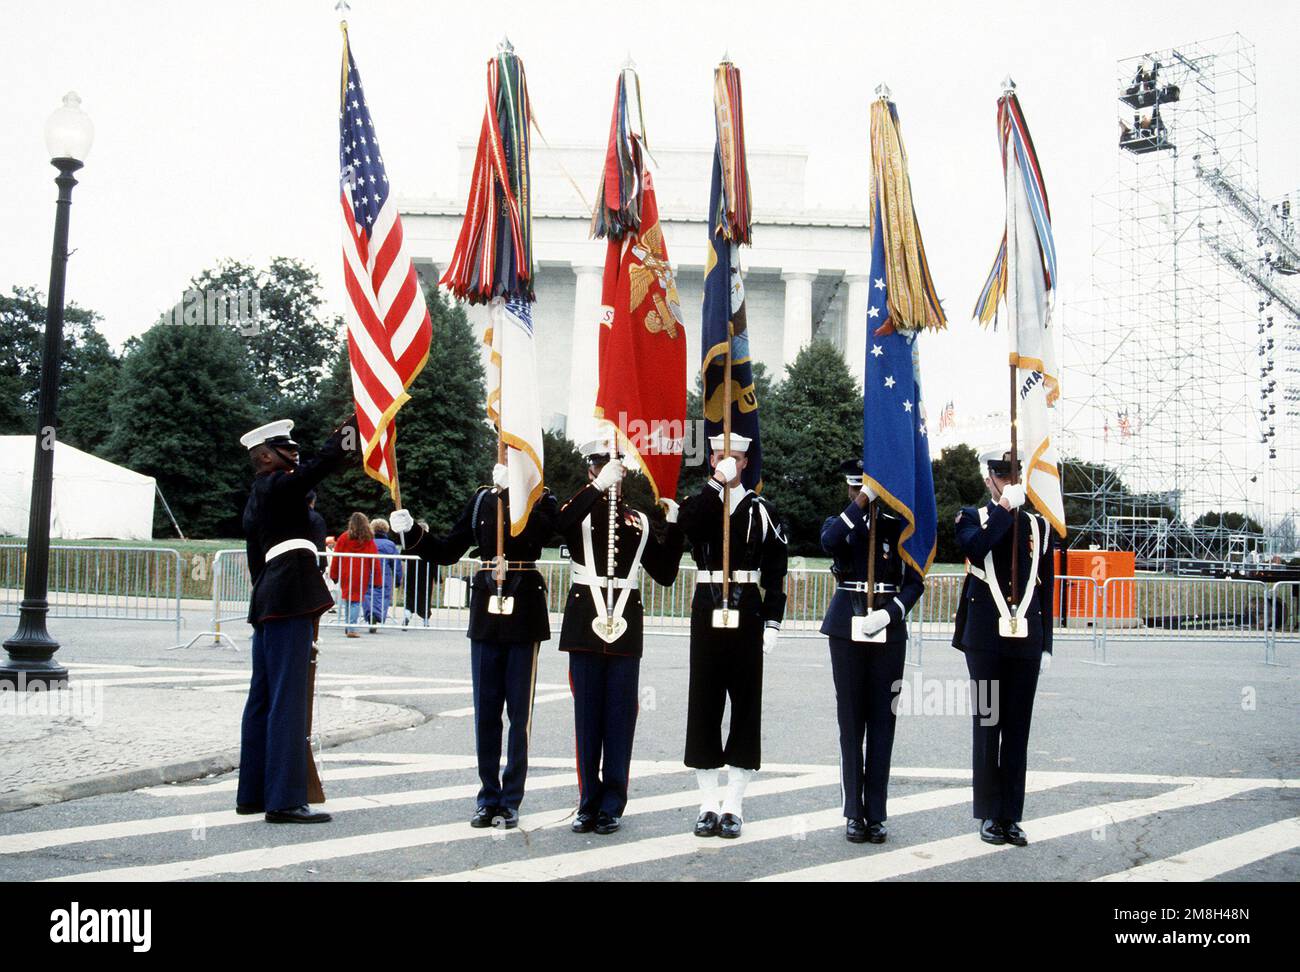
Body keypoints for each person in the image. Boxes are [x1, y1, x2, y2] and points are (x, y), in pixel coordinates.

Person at [389, 463, 559, 829]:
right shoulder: (483, 498)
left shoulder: (542, 499)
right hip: (486, 612)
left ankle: (511, 798)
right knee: (485, 713)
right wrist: (413, 533)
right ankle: (487, 796)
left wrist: (515, 495)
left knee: (520, 716)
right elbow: (449, 549)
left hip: (524, 611)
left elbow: (541, 536)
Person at [555, 434, 685, 835]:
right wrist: (593, 488)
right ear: (589, 468)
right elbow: (556, 526)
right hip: (584, 626)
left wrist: (675, 526)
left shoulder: (639, 522)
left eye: (613, 467)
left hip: (625, 628)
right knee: (587, 718)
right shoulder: (576, 512)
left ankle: (612, 802)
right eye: (598, 465)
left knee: (619, 718)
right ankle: (587, 801)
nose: (608, 472)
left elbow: (664, 574)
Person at [236, 415, 357, 824]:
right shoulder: (276, 485)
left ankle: (255, 791)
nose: (295, 455)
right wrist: (354, 426)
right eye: (286, 450)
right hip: (287, 599)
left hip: (271, 597)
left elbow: (256, 559)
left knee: (264, 697)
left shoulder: (263, 494)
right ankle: (285, 799)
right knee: (287, 698)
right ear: (266, 457)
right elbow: (320, 466)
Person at [676, 433, 788, 839]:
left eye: (735, 457)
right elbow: (687, 526)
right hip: (707, 608)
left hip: (747, 612)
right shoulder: (701, 502)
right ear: (711, 459)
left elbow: (776, 572)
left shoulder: (763, 511)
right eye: (720, 456)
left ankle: (734, 804)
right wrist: (714, 486)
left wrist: (773, 622)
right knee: (704, 704)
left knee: (744, 707)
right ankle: (707, 804)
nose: (727, 462)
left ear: (745, 462)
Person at [952, 448, 1055, 847]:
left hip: (1026, 636)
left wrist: (1046, 643)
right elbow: (977, 549)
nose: (1009, 482)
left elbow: (1046, 586)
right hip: (985, 640)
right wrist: (1003, 510)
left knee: (1017, 730)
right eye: (1002, 476)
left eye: (1014, 476)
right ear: (988, 480)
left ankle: (1011, 815)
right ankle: (988, 814)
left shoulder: (1039, 526)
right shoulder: (970, 516)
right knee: (988, 724)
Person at [820, 457, 925, 844]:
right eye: (855, 489)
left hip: (886, 629)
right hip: (846, 627)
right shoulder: (839, 523)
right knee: (851, 722)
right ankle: (853, 812)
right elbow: (829, 543)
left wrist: (892, 613)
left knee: (883, 722)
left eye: (865, 490)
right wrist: (861, 504)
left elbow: (915, 582)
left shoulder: (899, 528)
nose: (858, 495)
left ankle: (877, 813)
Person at [330, 512, 377, 639]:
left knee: (348, 600)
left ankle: (348, 626)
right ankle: (351, 628)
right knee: (356, 601)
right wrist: (377, 578)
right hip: (362, 572)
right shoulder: (368, 539)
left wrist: (334, 574)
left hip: (346, 571)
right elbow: (375, 560)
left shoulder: (344, 537)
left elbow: (336, 557)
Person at [364, 517, 403, 630]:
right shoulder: (390, 544)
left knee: (367, 595)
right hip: (384, 575)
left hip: (367, 573)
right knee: (383, 597)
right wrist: (397, 579)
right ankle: (377, 615)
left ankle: (370, 615)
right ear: (386, 529)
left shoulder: (367, 542)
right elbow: (396, 564)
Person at [306, 491, 328, 571]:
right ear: (313, 501)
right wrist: (322, 564)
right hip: (312, 560)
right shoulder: (317, 518)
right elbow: (320, 542)